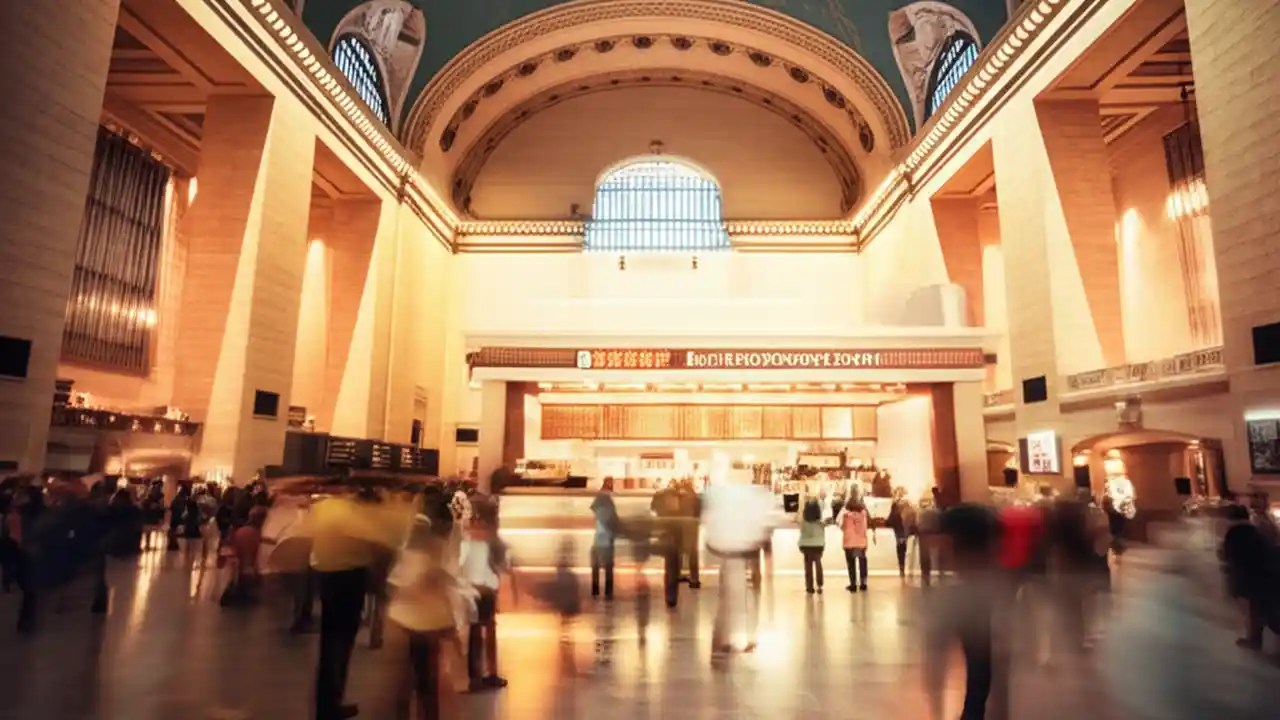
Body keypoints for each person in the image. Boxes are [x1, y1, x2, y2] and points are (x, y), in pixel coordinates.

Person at [310, 484, 412, 720]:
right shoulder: (355, 514)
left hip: (326, 576)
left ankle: (328, 702)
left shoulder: (325, 507)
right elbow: (384, 542)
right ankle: (331, 704)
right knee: (341, 643)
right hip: (349, 578)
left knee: (330, 644)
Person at [387, 490, 462, 720]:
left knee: (405, 682)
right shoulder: (440, 547)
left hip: (404, 619)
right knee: (426, 683)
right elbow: (443, 581)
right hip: (427, 622)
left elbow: (399, 579)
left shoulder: (415, 538)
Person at [460, 495, 510, 692]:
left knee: (475, 630)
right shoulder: (493, 539)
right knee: (487, 630)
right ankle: (490, 673)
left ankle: (475, 675)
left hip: (472, 587)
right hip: (486, 589)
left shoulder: (471, 534)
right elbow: (498, 565)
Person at [1221, 504, 1277, 651]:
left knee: (1251, 613)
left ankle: (1254, 640)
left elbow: (1229, 557)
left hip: (1245, 580)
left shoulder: (1234, 533)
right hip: (1263, 577)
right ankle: (1255, 639)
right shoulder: (1257, 531)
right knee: (1260, 611)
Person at [590, 477, 619, 600]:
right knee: (608, 566)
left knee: (596, 566)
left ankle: (596, 590)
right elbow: (613, 520)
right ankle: (608, 592)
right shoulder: (607, 503)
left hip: (598, 539)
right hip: (607, 540)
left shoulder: (599, 502)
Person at [839, 497, 873, 592]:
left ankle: (853, 584)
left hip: (849, 542)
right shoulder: (863, 515)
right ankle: (863, 583)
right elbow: (866, 527)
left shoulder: (846, 516)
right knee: (862, 563)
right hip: (861, 542)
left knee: (851, 564)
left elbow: (842, 527)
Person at [676, 480, 702, 588]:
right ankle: (694, 579)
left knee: (677, 551)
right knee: (693, 553)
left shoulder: (679, 497)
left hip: (679, 525)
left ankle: (677, 574)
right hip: (692, 526)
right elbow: (699, 512)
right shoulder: (695, 498)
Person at [887, 487, 915, 579]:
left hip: (898, 528)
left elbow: (891, 517)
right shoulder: (909, 504)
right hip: (905, 528)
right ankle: (903, 567)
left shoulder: (895, 504)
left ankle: (901, 568)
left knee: (900, 548)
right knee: (903, 547)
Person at [798, 499, 826, 594]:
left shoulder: (804, 523)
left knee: (808, 566)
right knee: (818, 564)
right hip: (818, 545)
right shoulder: (820, 523)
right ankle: (819, 584)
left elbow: (802, 532)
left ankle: (809, 586)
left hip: (806, 546)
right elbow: (822, 534)